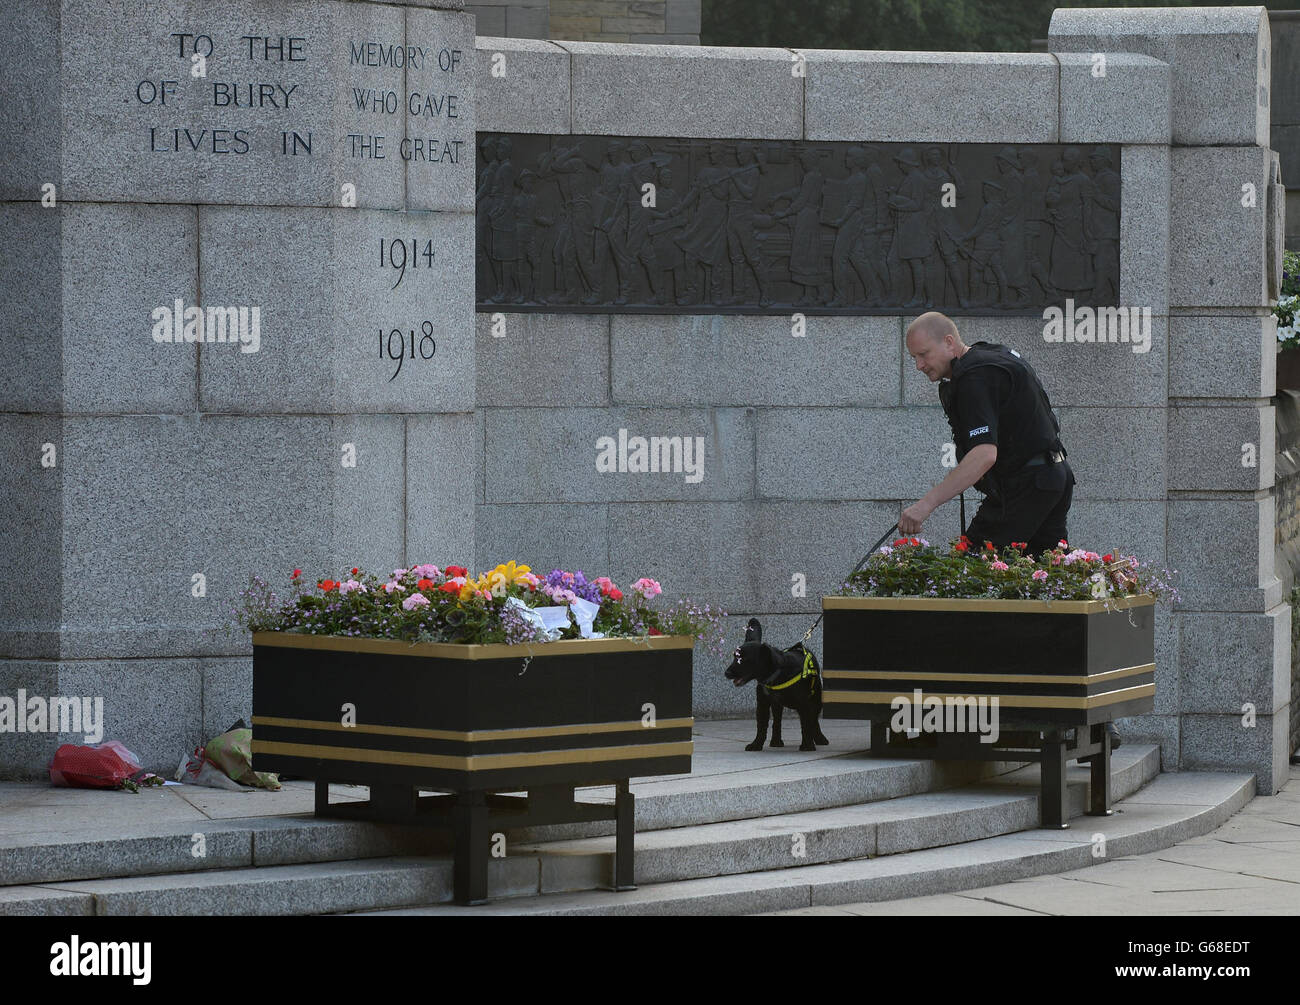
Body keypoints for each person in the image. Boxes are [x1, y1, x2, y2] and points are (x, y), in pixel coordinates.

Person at [901, 311, 1120, 750]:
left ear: (948, 342)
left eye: (923, 355)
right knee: (1049, 593)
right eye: (914, 359)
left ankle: (965, 717)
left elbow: (983, 454)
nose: (920, 365)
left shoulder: (975, 376)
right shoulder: (991, 356)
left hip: (1026, 489)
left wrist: (925, 504)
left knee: (966, 581)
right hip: (1052, 480)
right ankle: (1088, 719)